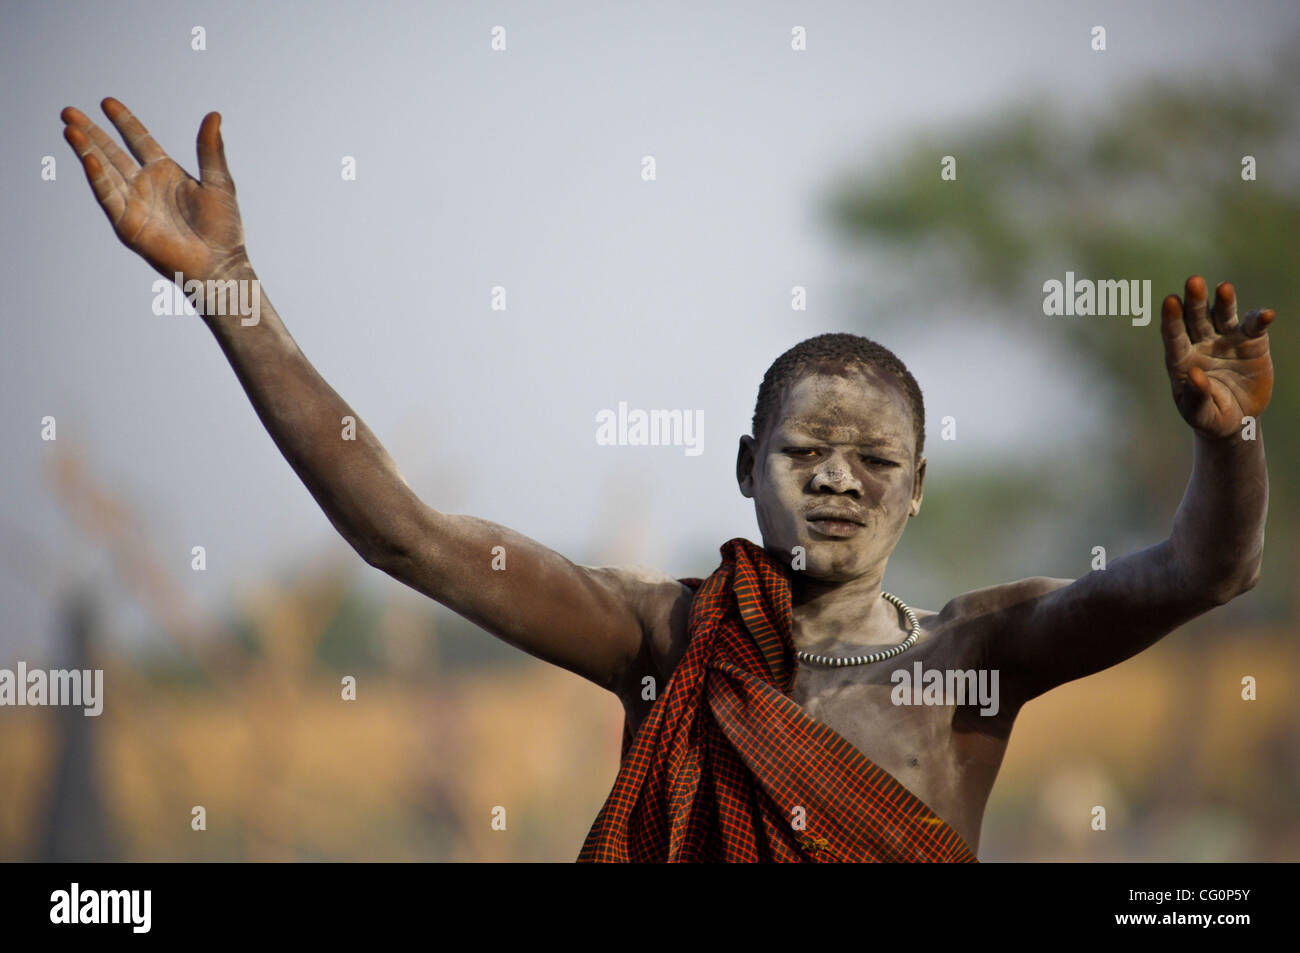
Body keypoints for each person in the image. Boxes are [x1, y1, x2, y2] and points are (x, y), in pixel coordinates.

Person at [60, 99, 1275, 862]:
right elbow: (408, 538)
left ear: (919, 491)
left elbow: (1203, 568)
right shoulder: (668, 633)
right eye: (804, 454)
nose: (838, 482)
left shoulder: (983, 651)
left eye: (875, 463)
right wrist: (228, 291)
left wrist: (1226, 445)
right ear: (748, 468)